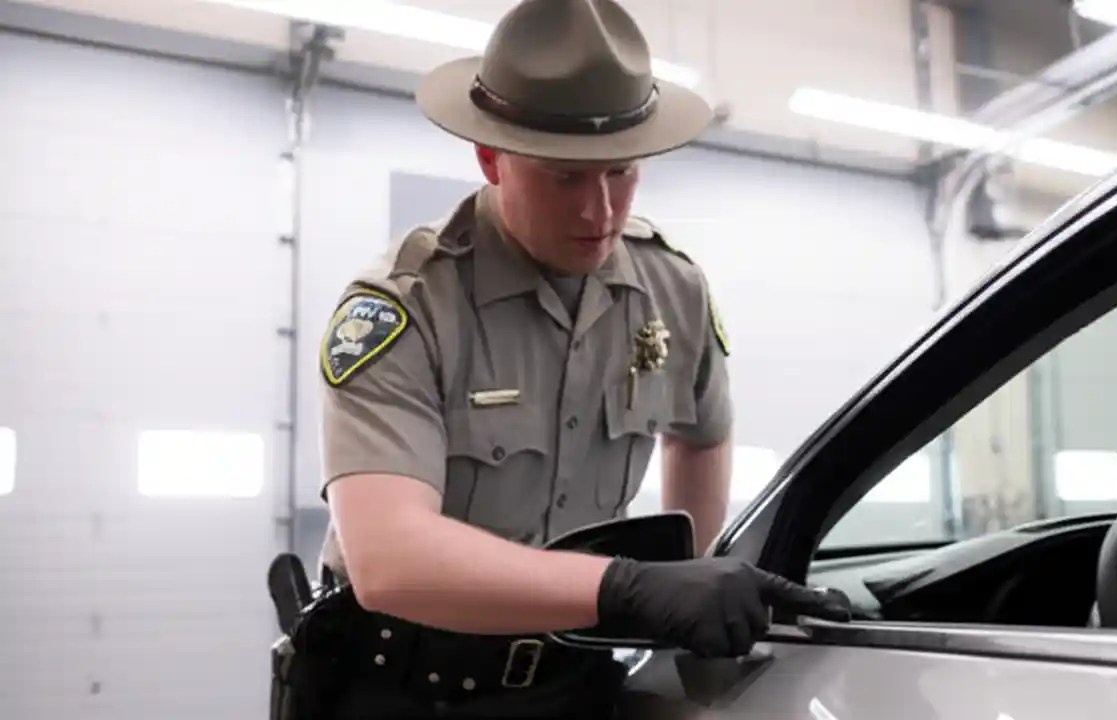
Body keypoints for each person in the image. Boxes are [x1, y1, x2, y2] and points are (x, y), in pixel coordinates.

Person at [290, 0, 852, 717]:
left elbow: (702, 433)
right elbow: (388, 559)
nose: (600, 212)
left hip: (573, 681)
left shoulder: (669, 287)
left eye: (622, 173)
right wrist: (628, 588)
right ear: (491, 158)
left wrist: (683, 574)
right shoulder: (403, 308)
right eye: (564, 178)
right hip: (399, 688)